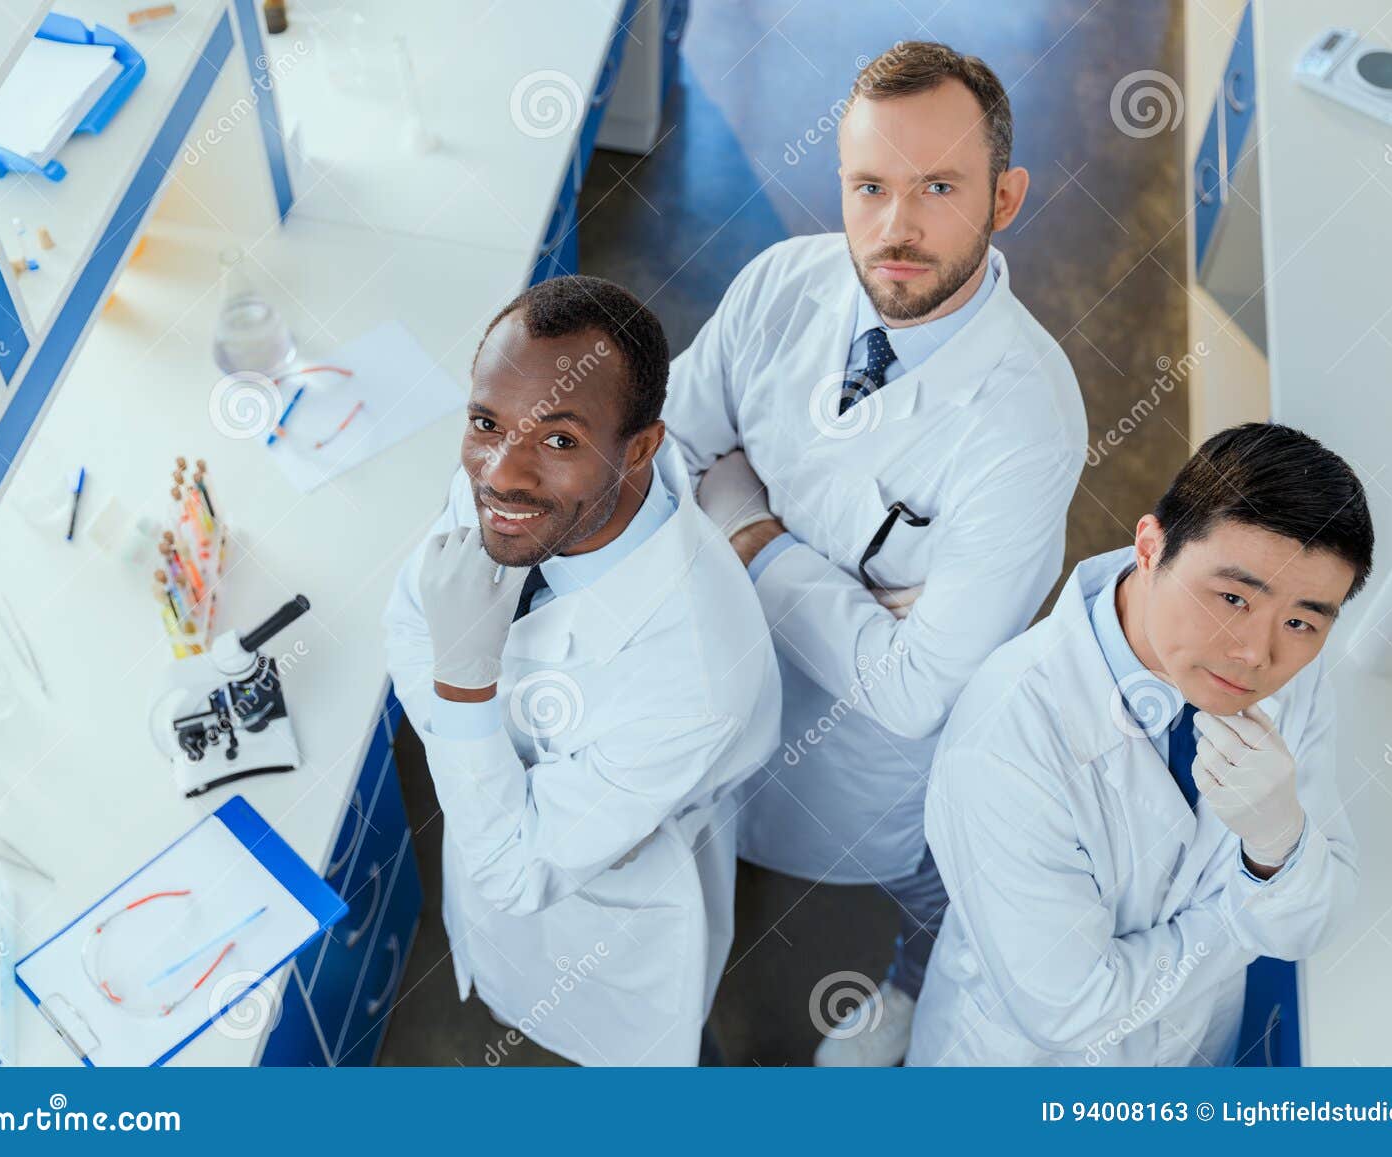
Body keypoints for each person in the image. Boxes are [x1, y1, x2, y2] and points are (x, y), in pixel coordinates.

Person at [661, 41, 1086, 1064]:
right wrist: (855, 596)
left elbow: (906, 693)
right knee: (692, 870)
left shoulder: (1026, 422)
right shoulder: (780, 287)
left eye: (940, 186)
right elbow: (666, 443)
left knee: (941, 890)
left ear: (1006, 196)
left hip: (874, 764)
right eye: (869, 187)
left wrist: (749, 528)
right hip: (720, 690)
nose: (896, 227)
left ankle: (903, 993)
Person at [382, 275, 781, 1066]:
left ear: (641, 447)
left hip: (616, 906)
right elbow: (402, 624)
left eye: (560, 438)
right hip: (508, 854)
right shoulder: (510, 490)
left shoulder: (695, 669)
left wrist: (465, 689)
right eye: (484, 422)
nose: (501, 473)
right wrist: (484, 758)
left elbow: (518, 871)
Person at [909, 422, 1373, 1066]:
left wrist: (1276, 846)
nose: (1255, 653)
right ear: (1152, 548)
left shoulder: (1293, 667)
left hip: (1195, 1043)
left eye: (1300, 621)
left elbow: (1314, 920)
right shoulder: (1004, 740)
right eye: (1233, 597)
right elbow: (1071, 1010)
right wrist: (1254, 902)